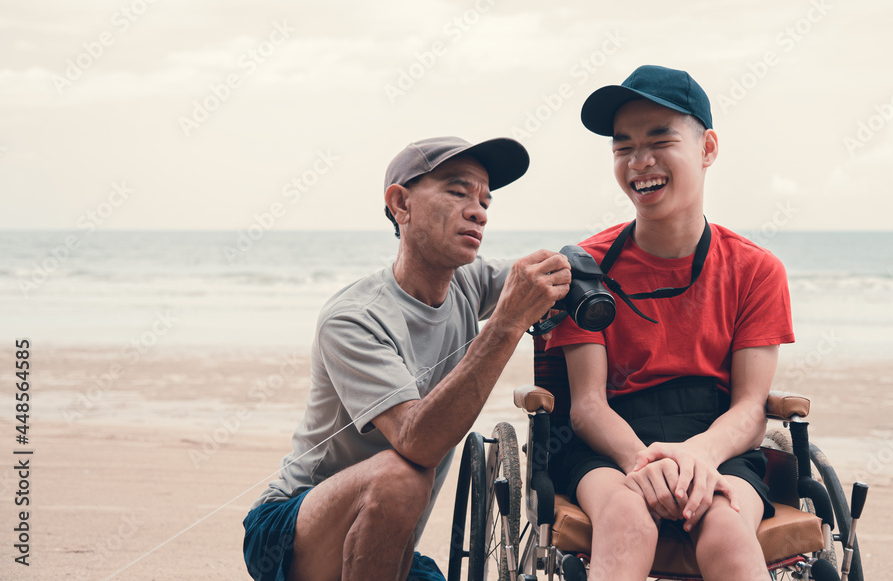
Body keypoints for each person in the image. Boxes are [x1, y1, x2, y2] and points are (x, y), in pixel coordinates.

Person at [243, 136, 571, 581]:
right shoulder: (353, 319)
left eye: (484, 200)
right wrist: (505, 326)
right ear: (401, 203)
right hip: (290, 530)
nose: (478, 211)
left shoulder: (467, 282)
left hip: (386, 543)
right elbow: (418, 442)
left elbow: (537, 276)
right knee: (404, 474)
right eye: (457, 192)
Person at [545, 65, 795, 581]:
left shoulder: (755, 269)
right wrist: (646, 463)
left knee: (727, 528)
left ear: (707, 149)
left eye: (660, 139)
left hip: (716, 439)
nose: (639, 162)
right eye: (623, 147)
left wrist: (698, 457)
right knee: (626, 517)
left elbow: (750, 408)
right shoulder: (586, 267)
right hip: (611, 443)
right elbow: (588, 405)